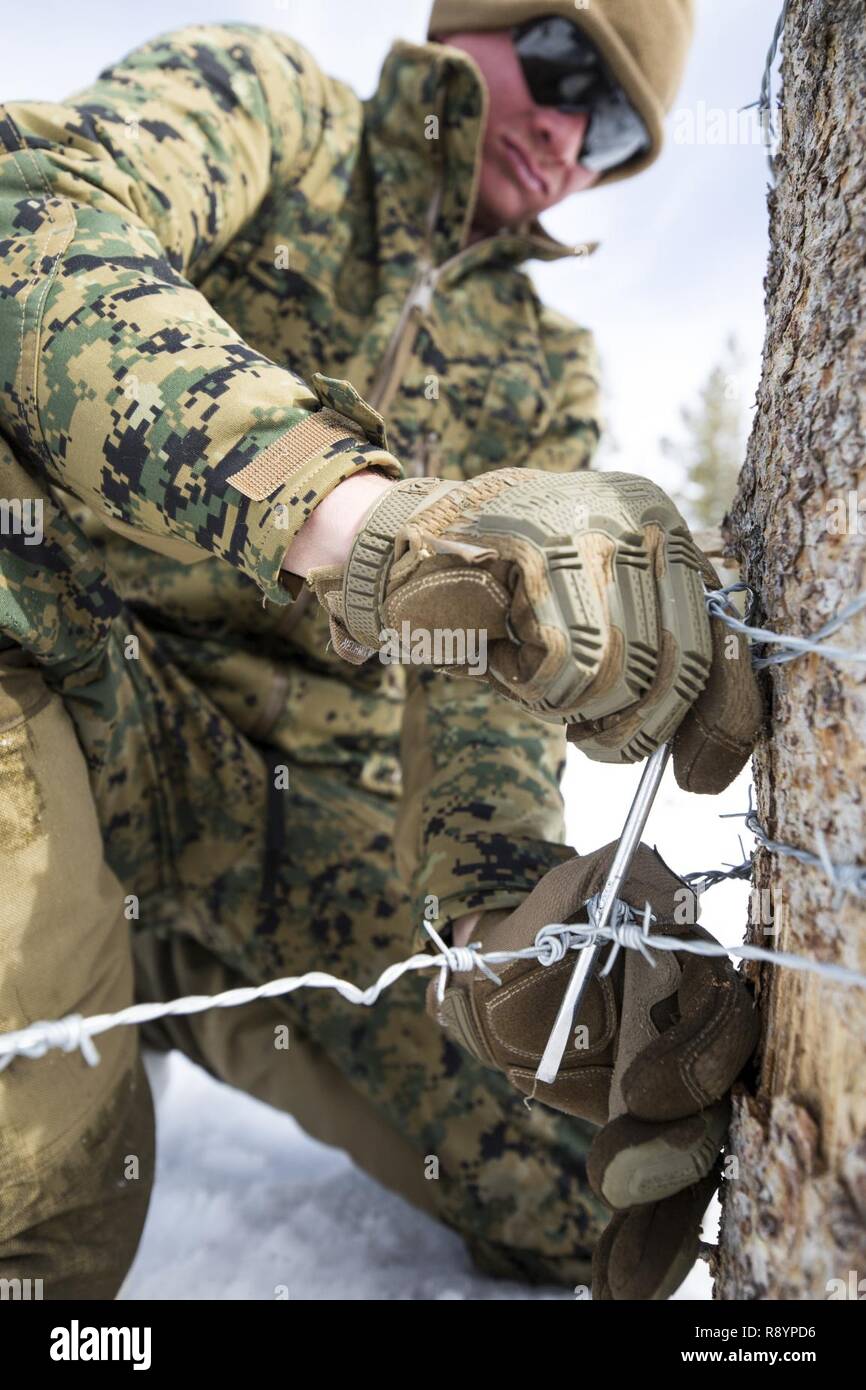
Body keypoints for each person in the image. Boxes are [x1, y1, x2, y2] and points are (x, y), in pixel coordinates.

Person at [0, 0, 761, 1299]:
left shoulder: (539, 365)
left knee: (564, 1176)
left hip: (270, 841)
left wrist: (497, 912)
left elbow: (500, 671)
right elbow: (32, 228)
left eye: (620, 123)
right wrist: (361, 519)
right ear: (469, 26)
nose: (570, 130)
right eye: (564, 63)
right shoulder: (274, 110)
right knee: (48, 1169)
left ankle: (168, 973)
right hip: (55, 666)